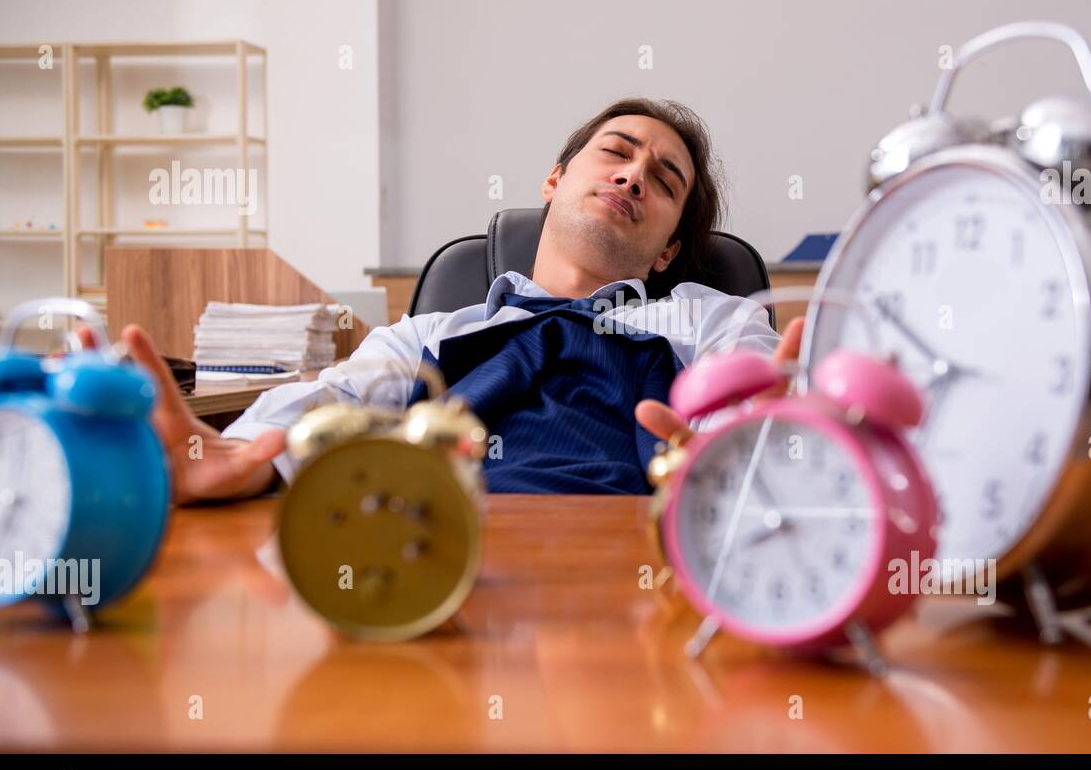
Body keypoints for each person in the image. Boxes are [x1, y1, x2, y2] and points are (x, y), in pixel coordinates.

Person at [86, 98, 803, 503]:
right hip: (436, 551)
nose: (633, 176)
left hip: (644, 557)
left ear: (669, 250)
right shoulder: (427, 332)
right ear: (555, 180)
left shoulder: (715, 319)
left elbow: (756, 403)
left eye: (664, 179)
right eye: (616, 152)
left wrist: (774, 426)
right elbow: (334, 401)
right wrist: (234, 451)